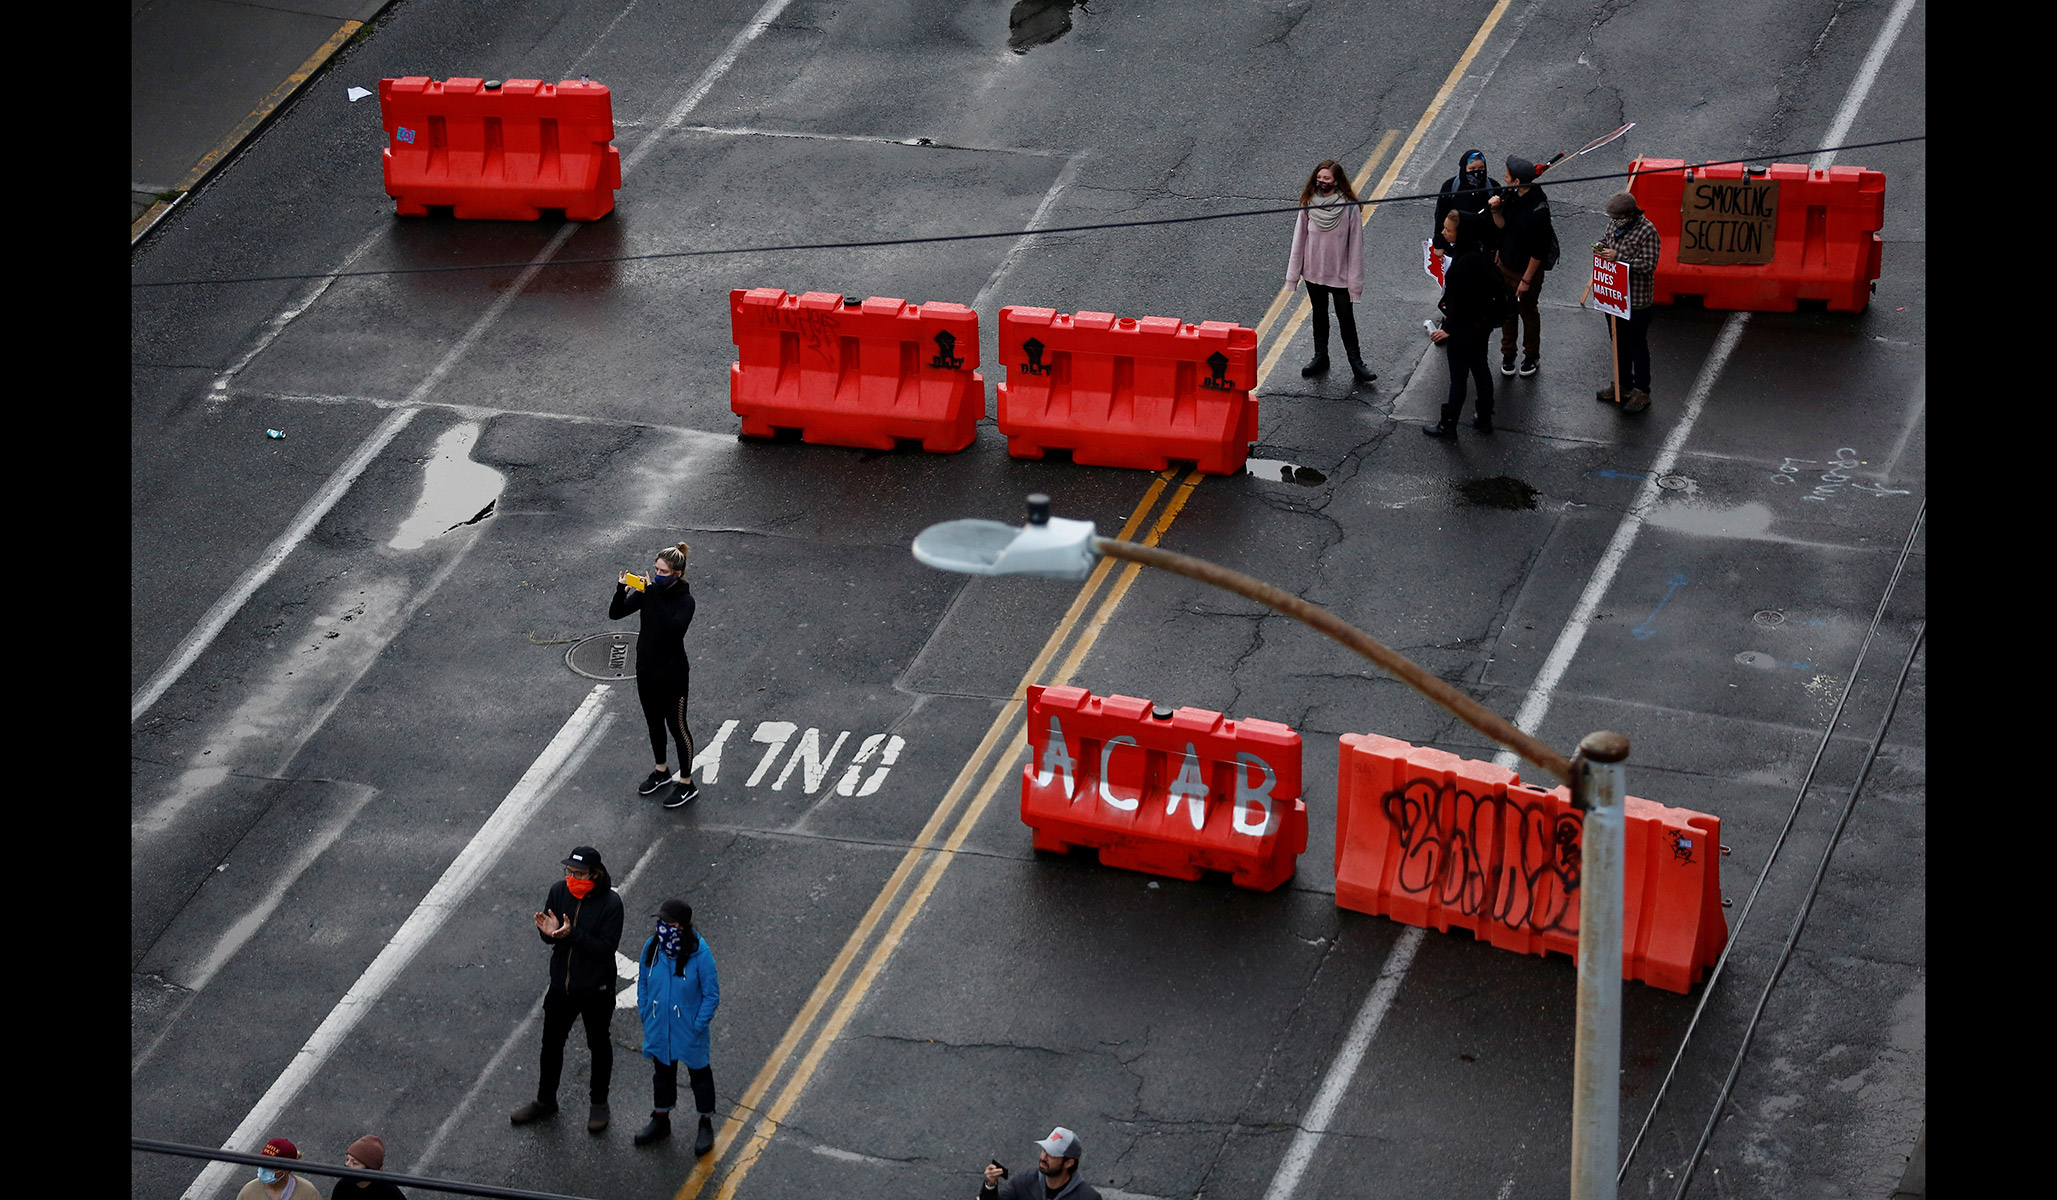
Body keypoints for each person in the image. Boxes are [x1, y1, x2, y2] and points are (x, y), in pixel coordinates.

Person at [512, 845, 624, 1134]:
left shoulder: (611, 904)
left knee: (598, 1045)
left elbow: (605, 948)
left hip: (595, 989)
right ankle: (545, 1100)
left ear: (595, 874)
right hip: (562, 985)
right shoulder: (559, 891)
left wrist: (572, 934)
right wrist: (548, 934)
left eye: (579, 873)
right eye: (569, 872)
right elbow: (551, 935)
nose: (572, 877)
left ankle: (599, 1103)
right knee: (551, 1044)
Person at [611, 541, 701, 809]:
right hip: (646, 671)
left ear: (676, 574)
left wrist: (651, 594)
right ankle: (661, 771)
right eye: (655, 569)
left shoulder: (686, 601)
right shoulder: (648, 592)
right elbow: (615, 613)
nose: (657, 574)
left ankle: (686, 783)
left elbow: (671, 629)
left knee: (677, 727)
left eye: (662, 571)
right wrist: (620, 590)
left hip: (673, 675)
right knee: (653, 723)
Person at [633, 898, 722, 1154]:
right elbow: (644, 981)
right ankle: (661, 1118)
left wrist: (698, 1024)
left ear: (681, 926)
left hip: (688, 1030)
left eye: (667, 923)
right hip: (659, 1025)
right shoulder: (653, 946)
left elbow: (711, 994)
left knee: (700, 1078)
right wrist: (646, 1011)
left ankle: (705, 1122)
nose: (662, 927)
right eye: (660, 922)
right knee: (662, 1076)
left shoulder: (699, 953)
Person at [1284, 160, 1377, 385]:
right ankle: (1320, 356)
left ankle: (1357, 363)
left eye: (1326, 179)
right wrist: (1293, 277)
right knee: (1319, 314)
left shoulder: (1350, 208)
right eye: (1319, 178)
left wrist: (1354, 286)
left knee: (1346, 318)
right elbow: (1299, 241)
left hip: (1340, 276)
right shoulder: (1308, 204)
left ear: (1337, 181)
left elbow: (1355, 249)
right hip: (1313, 273)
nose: (1322, 182)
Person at [1423, 210, 1509, 438]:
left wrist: (1447, 330)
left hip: (1464, 329)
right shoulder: (1477, 252)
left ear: (1461, 232)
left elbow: (1462, 302)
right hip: (1481, 326)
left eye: (1448, 229)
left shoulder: (1465, 263)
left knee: (1458, 378)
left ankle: (1448, 424)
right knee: (1481, 370)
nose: (1443, 232)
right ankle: (1484, 419)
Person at [1487, 154, 1557, 378]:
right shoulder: (1510, 196)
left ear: (1517, 181)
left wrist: (1526, 280)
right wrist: (1496, 211)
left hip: (1527, 272)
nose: (1505, 179)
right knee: (1508, 311)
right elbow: (1502, 228)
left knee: (1528, 312)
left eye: (1508, 176)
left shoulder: (1539, 211)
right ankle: (1508, 354)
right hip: (1505, 265)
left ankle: (1531, 355)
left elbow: (1538, 252)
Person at [1594, 191, 1662, 413]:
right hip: (1614, 299)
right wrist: (1600, 247)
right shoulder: (1614, 226)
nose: (1614, 222)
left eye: (1618, 217)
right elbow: (1606, 240)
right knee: (1618, 344)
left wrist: (1618, 258)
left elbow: (1648, 265)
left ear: (1630, 214)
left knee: (1637, 347)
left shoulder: (1647, 231)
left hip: (1637, 301)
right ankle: (1622, 385)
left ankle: (1642, 391)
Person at [978, 1126, 1100, 1200]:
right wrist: (990, 1185)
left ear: (1069, 1163)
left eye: (1052, 1154)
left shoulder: (1088, 1197)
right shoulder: (1023, 1182)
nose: (1043, 1157)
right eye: (1044, 1150)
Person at [1432, 149, 1498, 255]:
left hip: (1483, 248)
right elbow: (1441, 216)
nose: (1477, 172)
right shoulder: (1450, 186)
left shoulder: (1493, 187)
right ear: (1464, 169)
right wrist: (1439, 244)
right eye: (1472, 169)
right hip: (1455, 247)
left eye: (1481, 168)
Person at [236, 1138, 325, 1200]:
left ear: (287, 1170)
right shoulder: (248, 1192)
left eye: (270, 1165)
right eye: (262, 1162)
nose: (263, 1167)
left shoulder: (308, 1193)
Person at [337, 1135, 406, 1200]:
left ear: (369, 1169)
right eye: (347, 1159)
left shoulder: (389, 1191)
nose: (347, 1164)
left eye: (354, 1163)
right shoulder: (343, 1185)